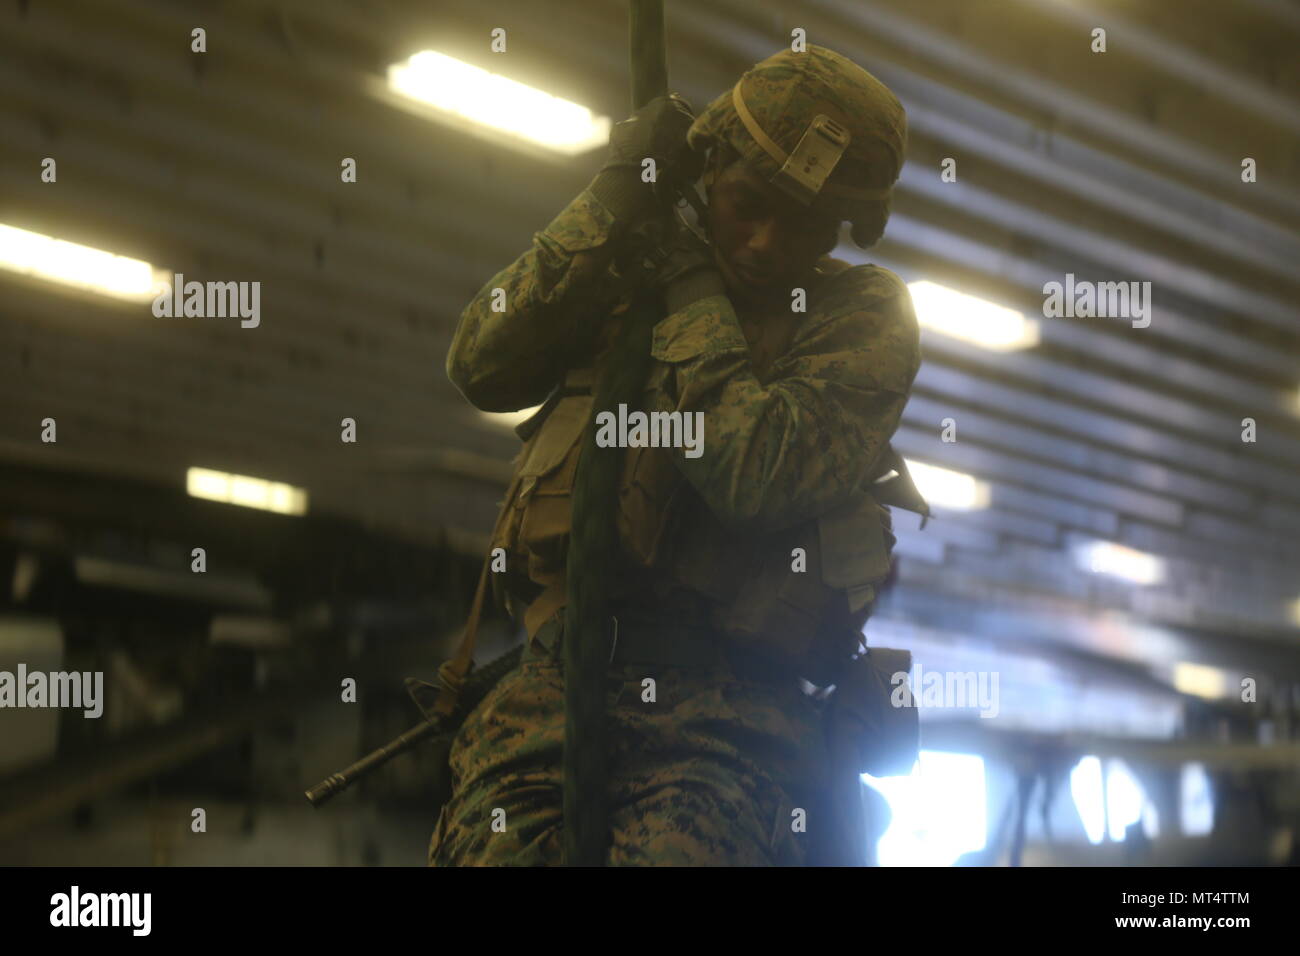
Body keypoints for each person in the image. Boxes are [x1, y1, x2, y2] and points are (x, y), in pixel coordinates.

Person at [430, 44, 926, 866]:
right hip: (546, 698)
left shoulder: (862, 318)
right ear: (710, 168)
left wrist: (694, 289)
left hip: (727, 730)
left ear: (843, 227)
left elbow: (754, 473)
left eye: (800, 224)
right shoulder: (632, 258)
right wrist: (615, 193)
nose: (765, 243)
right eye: (744, 205)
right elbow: (480, 361)